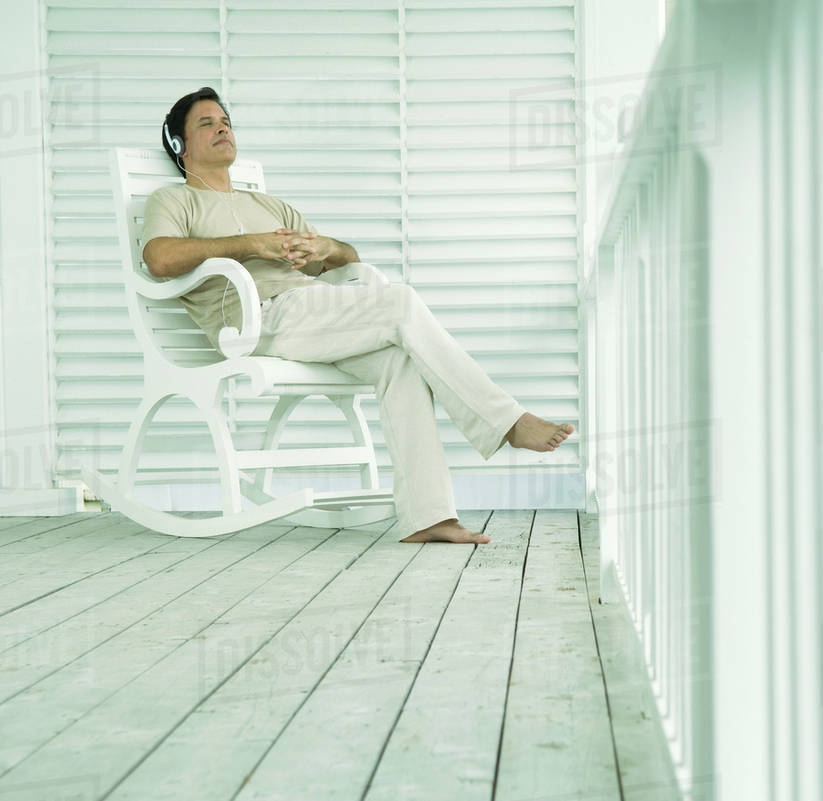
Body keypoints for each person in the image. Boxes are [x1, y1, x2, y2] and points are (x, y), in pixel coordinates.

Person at [142, 87, 574, 544]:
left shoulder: (270, 206)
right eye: (206, 124)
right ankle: (506, 422)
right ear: (180, 146)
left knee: (400, 361)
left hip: (311, 314)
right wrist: (251, 244)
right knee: (400, 302)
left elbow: (344, 258)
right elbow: (160, 258)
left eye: (225, 120)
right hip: (258, 320)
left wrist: (325, 248)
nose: (222, 128)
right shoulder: (174, 201)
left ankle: (429, 517)